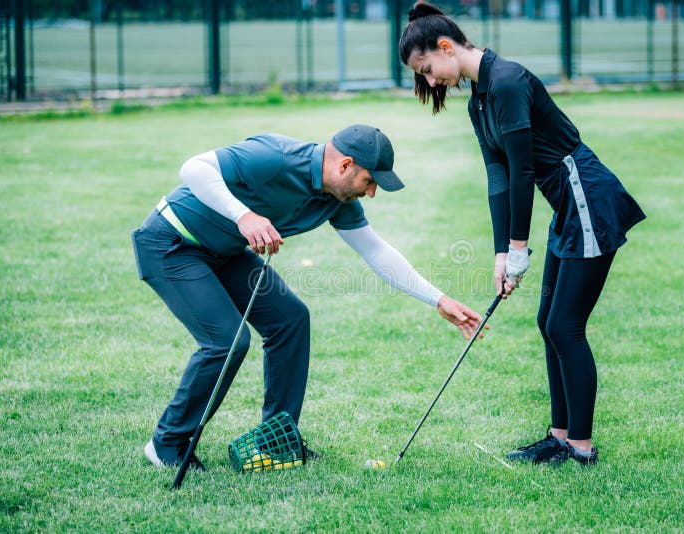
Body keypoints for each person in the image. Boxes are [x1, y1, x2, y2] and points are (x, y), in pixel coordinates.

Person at [132, 124, 482, 469]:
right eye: (370, 181)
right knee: (226, 342)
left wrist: (438, 299)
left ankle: (275, 441)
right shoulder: (276, 156)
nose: (372, 192)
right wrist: (245, 217)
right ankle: (167, 444)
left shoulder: (336, 199)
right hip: (172, 243)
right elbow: (193, 168)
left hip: (225, 252)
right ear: (346, 165)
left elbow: (375, 251)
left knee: (290, 319)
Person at [399, 2, 646, 466]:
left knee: (564, 326)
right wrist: (501, 254)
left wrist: (518, 247)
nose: (431, 82)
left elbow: (523, 169)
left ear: (447, 47)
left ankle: (581, 447)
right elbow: (498, 176)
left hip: (587, 198)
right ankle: (560, 435)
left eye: (428, 69)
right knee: (547, 322)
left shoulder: (508, 81)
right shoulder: (478, 99)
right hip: (567, 207)